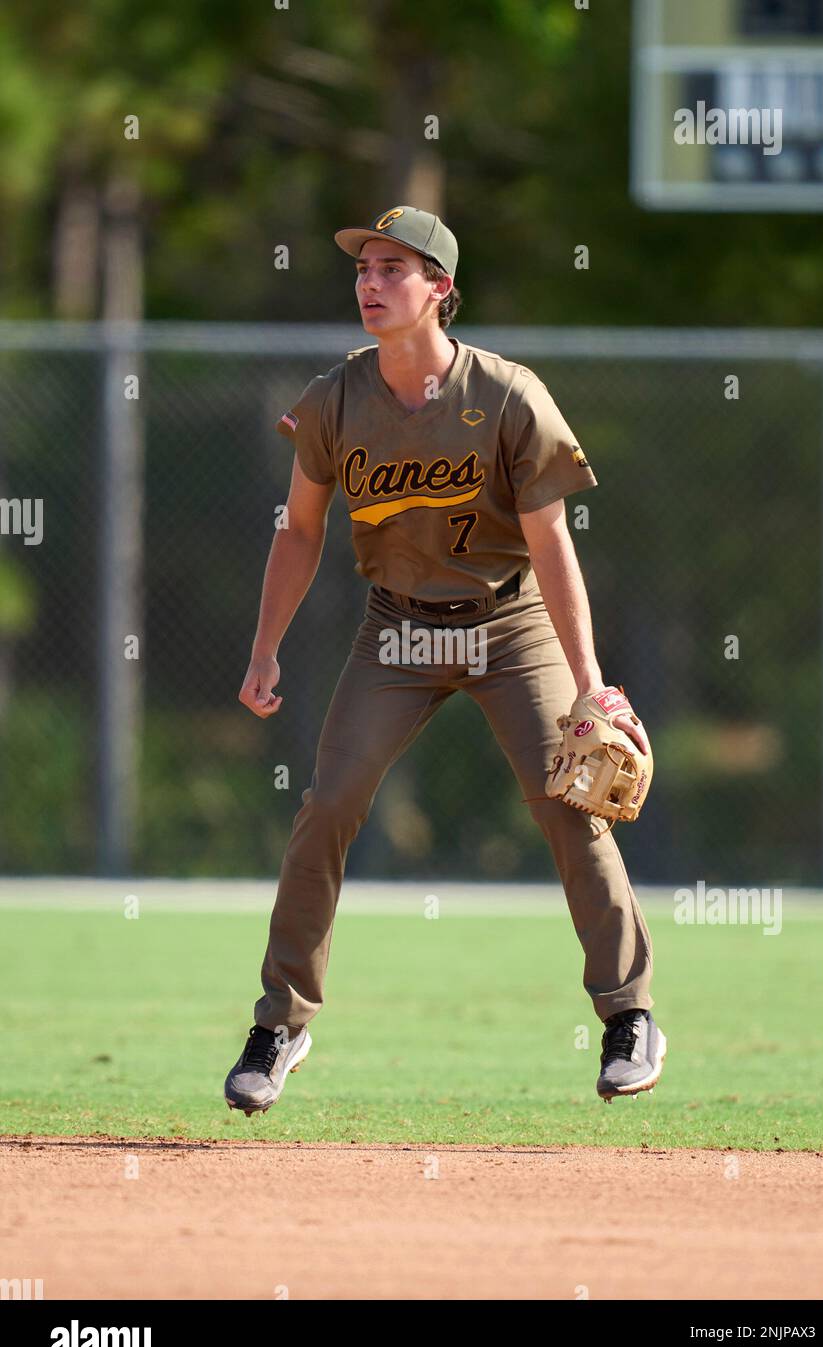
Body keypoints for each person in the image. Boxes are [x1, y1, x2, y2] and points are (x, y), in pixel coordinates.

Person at [224, 205, 666, 1117]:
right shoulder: (336, 400)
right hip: (397, 629)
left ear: (440, 291)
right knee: (330, 805)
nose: (370, 283)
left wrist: (589, 684)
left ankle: (629, 1015)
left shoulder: (506, 396)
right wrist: (264, 647)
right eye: (363, 268)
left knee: (569, 800)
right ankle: (280, 1023)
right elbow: (300, 531)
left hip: (511, 626)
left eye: (394, 268)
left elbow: (553, 549)